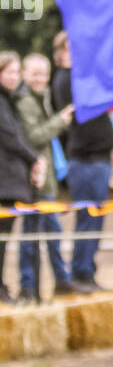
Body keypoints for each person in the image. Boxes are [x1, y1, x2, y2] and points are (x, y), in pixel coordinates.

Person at [52, 29, 113, 293]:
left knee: (93, 218)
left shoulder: (79, 78)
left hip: (97, 159)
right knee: (88, 218)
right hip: (87, 160)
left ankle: (86, 270)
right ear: (61, 53)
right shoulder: (67, 79)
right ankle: (82, 272)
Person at [15, 53, 76, 302]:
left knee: (51, 233)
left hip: (46, 179)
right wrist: (59, 122)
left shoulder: (43, 98)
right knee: (32, 236)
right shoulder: (26, 101)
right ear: (24, 75)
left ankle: (59, 281)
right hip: (35, 180)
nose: (40, 79)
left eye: (44, 74)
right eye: (35, 74)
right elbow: (33, 137)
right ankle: (30, 286)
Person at [0, 51, 46, 306]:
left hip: (11, 182)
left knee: (5, 239)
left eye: (17, 72)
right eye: (10, 71)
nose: (15, 77)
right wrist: (34, 158)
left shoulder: (10, 100)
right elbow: (9, 137)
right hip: (4, 183)